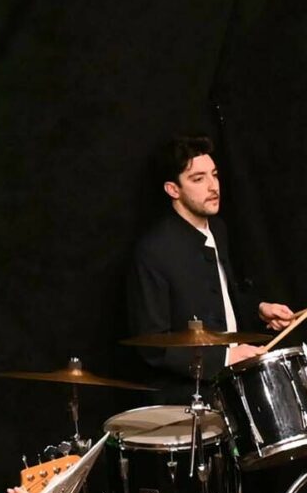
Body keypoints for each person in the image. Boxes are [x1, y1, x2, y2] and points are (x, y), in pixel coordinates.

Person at [127, 134, 297, 386]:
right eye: (198, 179)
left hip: (234, 380)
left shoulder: (218, 228)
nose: (213, 186)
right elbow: (152, 345)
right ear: (173, 189)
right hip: (191, 391)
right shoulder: (153, 250)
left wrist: (260, 309)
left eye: (214, 175)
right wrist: (225, 357)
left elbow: (221, 295)